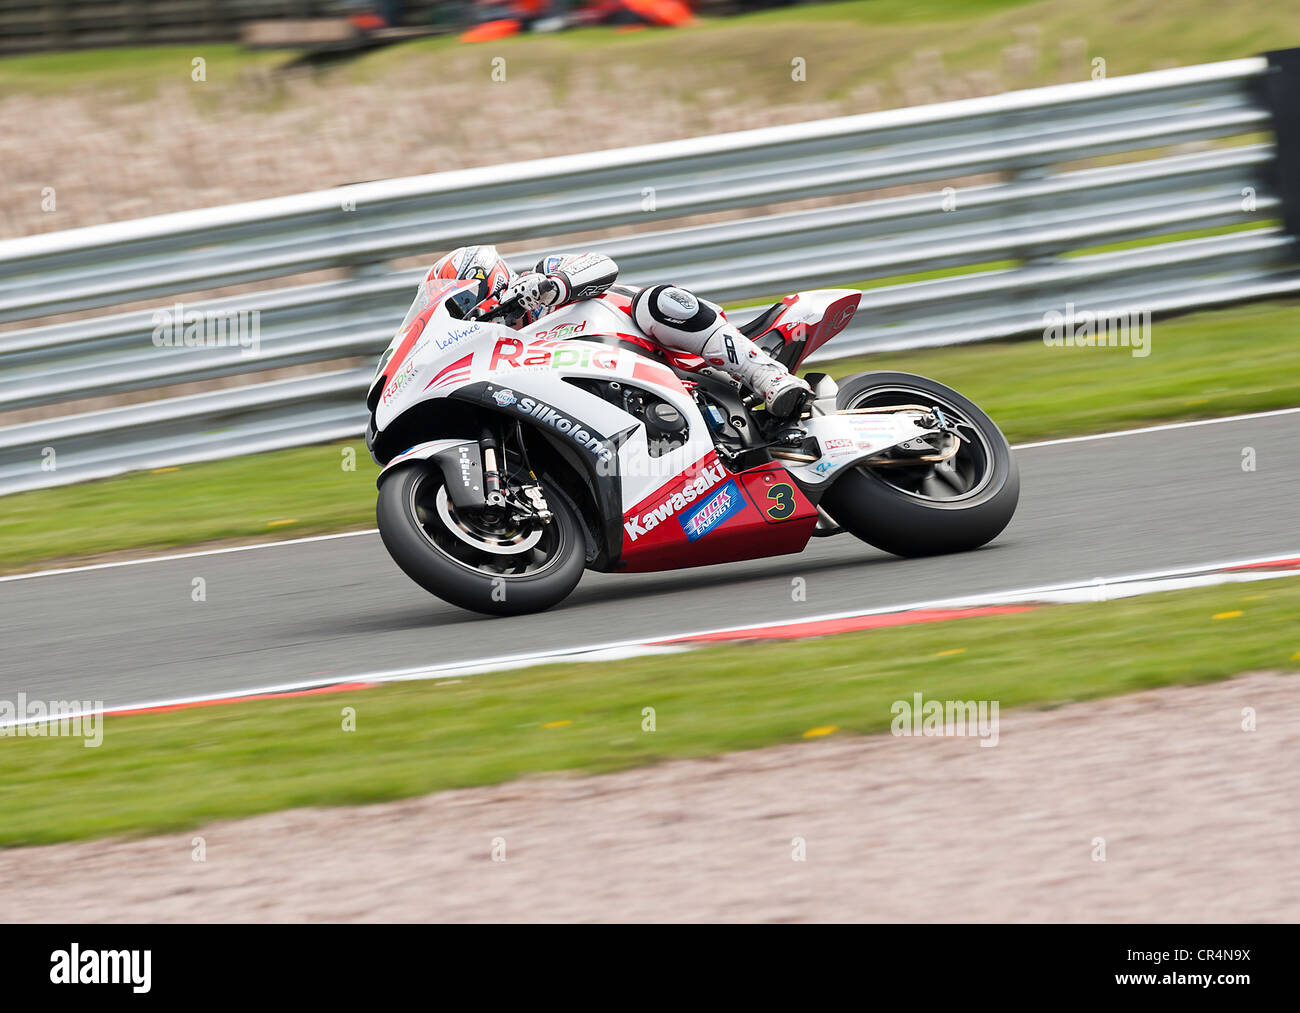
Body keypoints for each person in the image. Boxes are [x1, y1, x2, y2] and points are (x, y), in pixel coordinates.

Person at [427, 244, 812, 419]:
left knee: (657, 301)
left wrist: (552, 286)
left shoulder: (539, 278)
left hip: (666, 350)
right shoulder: (504, 354)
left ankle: (766, 375)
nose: (471, 313)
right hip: (618, 394)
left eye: (466, 302)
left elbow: (601, 264)